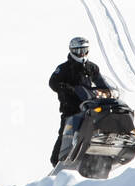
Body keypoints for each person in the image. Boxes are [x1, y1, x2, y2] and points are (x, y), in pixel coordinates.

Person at [48, 36, 113, 165]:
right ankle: (57, 161)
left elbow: (101, 83)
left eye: (84, 50)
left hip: (90, 106)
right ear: (72, 50)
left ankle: (107, 147)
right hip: (71, 107)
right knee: (65, 133)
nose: (81, 53)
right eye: (78, 50)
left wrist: (107, 91)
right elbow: (53, 82)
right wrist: (66, 88)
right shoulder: (64, 68)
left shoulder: (92, 67)